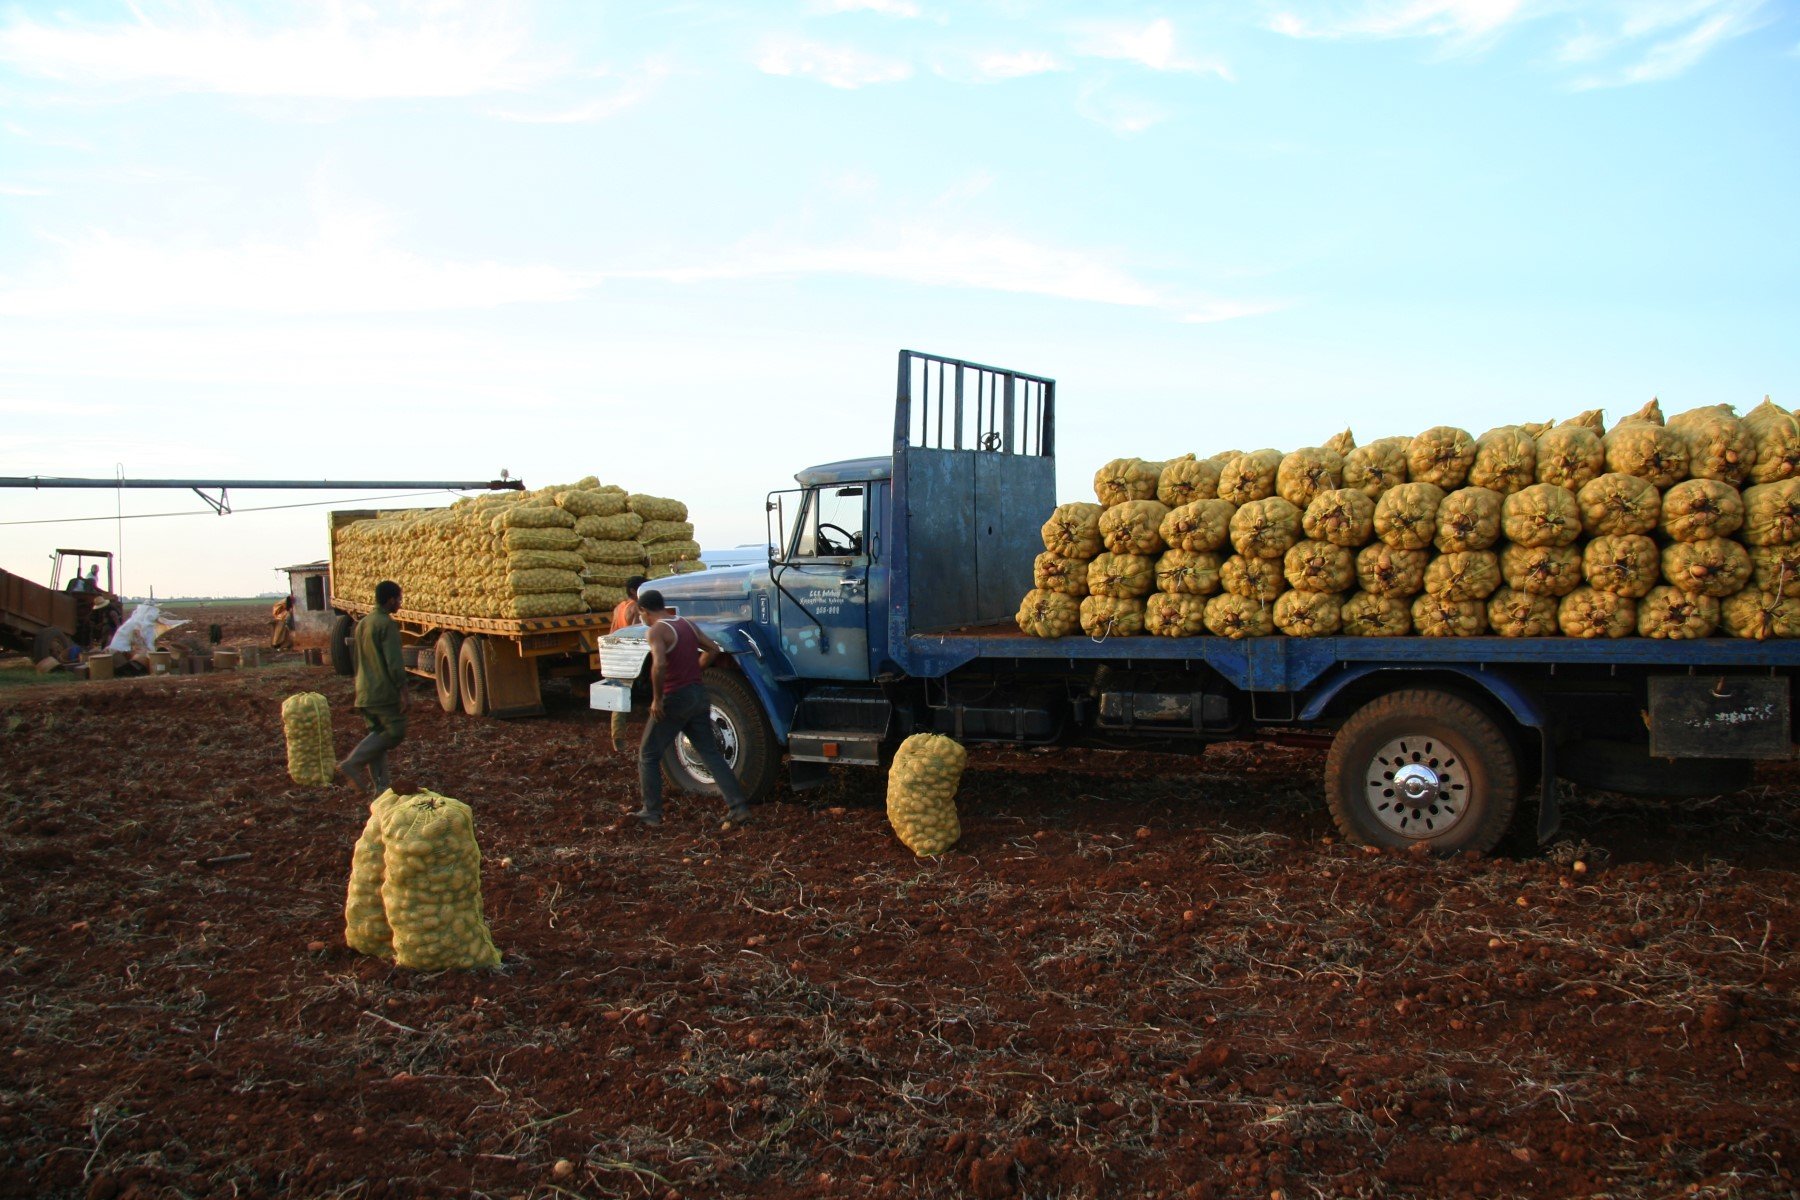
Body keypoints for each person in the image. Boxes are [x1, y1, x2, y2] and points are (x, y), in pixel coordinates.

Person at [632, 588, 750, 829]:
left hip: (674, 698)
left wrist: (657, 698)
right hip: (698, 694)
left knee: (648, 754)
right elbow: (714, 649)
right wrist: (696, 670)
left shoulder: (656, 631)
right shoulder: (685, 624)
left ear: (644, 611)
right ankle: (738, 807)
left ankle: (651, 813)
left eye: (640, 614)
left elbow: (659, 664)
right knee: (710, 753)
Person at [338, 581, 407, 796]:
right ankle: (352, 763)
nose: (400, 603)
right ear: (390, 600)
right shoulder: (385, 624)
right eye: (399, 599)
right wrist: (403, 690)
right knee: (394, 732)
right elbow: (394, 662)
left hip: (365, 690)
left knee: (378, 735)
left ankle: (381, 787)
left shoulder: (363, 623)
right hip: (382, 691)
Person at [607, 575, 648, 752]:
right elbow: (640, 634)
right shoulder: (637, 608)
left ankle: (617, 737)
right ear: (634, 590)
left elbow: (612, 632)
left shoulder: (619, 608)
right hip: (632, 655)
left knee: (620, 698)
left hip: (617, 652)